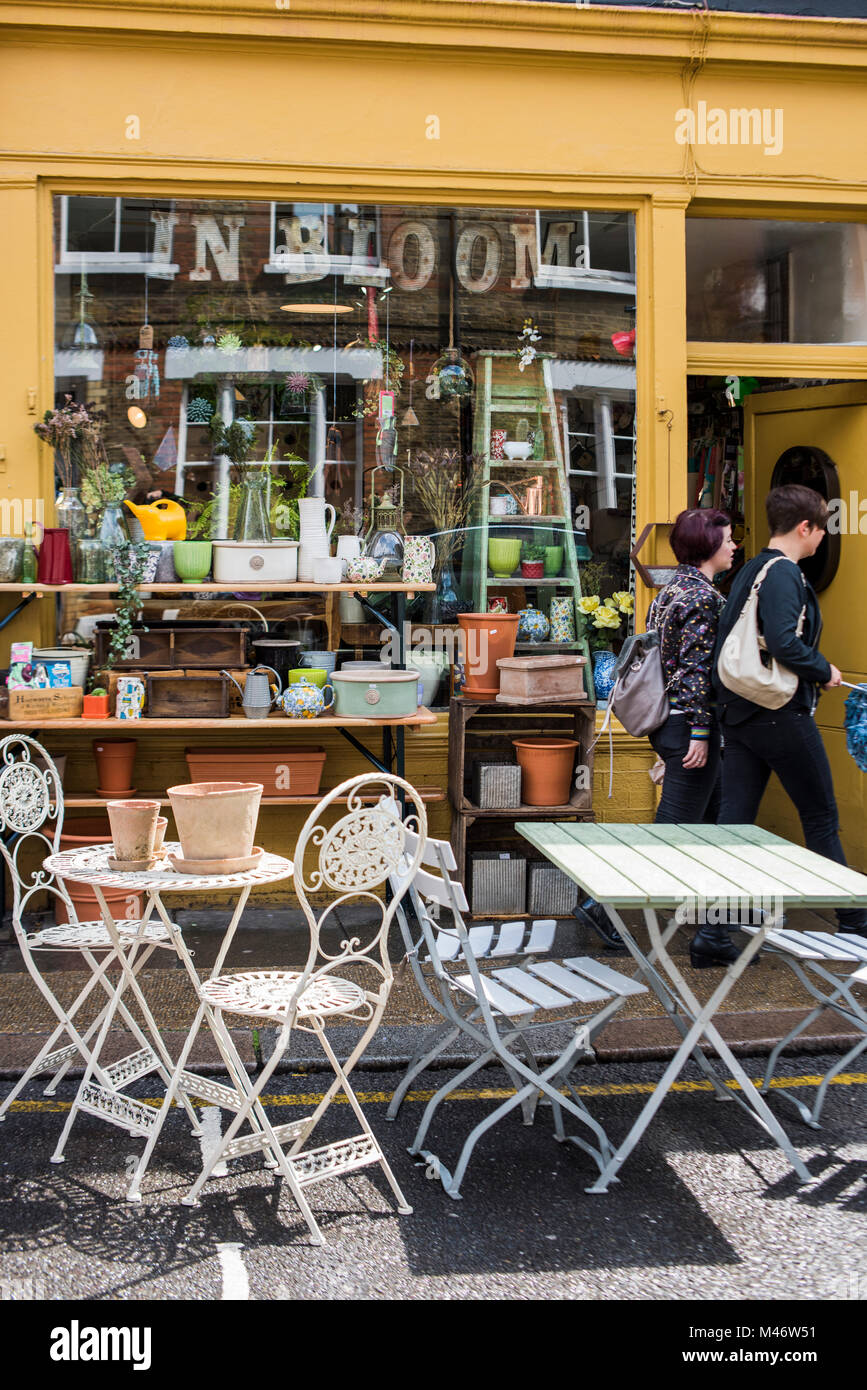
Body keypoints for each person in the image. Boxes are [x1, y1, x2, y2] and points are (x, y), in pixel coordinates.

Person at [576, 508, 736, 961]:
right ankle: (601, 904)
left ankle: (715, 932)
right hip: (689, 725)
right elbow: (693, 673)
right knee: (672, 833)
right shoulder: (702, 598)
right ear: (707, 545)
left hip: (673, 724)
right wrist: (701, 734)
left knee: (713, 828)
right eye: (726, 538)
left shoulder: (671, 590)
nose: (733, 545)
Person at [714, 483, 867, 940]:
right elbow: (782, 641)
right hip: (779, 712)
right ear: (805, 527)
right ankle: (856, 923)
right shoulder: (783, 574)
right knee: (820, 817)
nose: (823, 539)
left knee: (734, 824)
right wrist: (824, 669)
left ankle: (714, 933)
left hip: (740, 714)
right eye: (822, 530)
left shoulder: (750, 570)